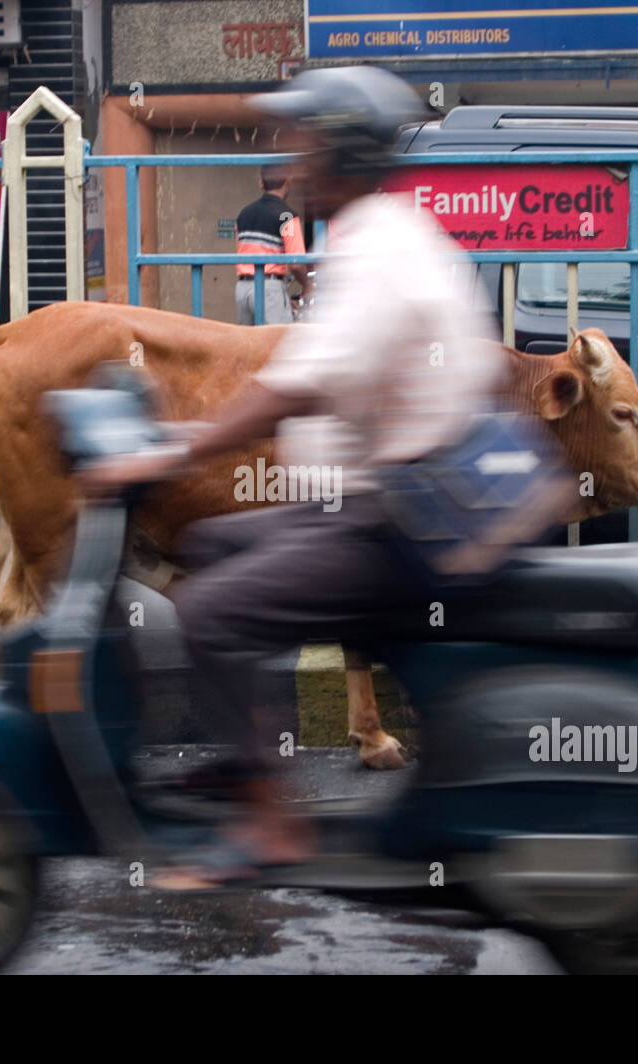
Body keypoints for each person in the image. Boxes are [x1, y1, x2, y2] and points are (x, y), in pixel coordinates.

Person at [83, 66, 514, 889]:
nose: (292, 165)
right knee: (211, 543)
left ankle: (270, 824)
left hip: (402, 525)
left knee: (212, 607)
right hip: (389, 505)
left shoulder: (377, 252)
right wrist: (179, 435)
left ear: (342, 156)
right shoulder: (379, 234)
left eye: (306, 146)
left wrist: (171, 453)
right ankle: (247, 759)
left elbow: (296, 387)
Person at [233, 164, 312, 324]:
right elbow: (296, 264)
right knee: (277, 344)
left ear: (261, 183)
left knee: (248, 346)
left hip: (242, 289)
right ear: (288, 181)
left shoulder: (244, 214)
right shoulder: (286, 216)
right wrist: (307, 286)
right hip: (269, 287)